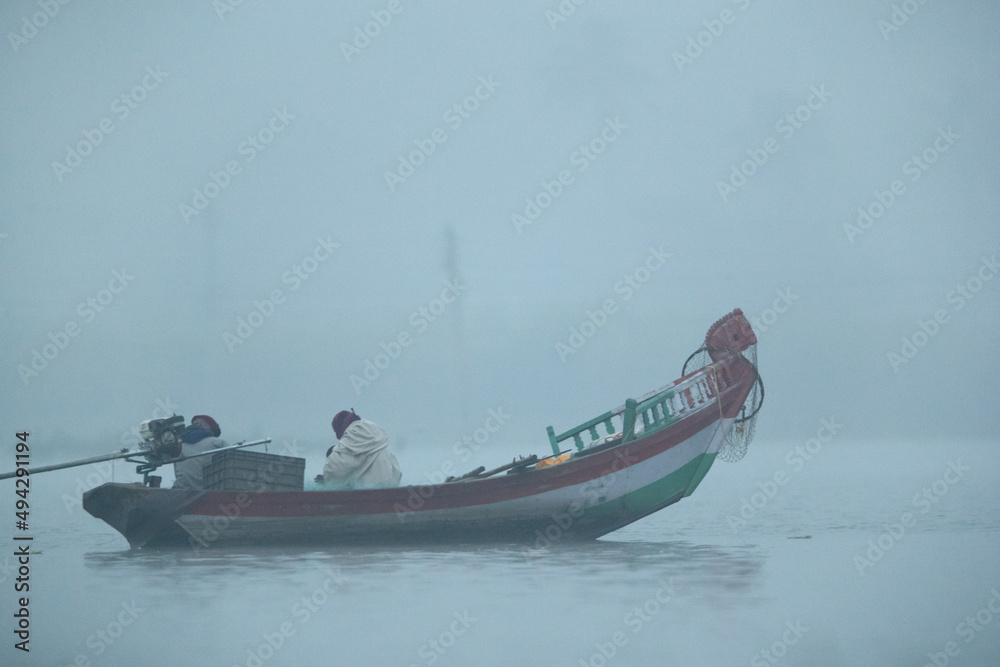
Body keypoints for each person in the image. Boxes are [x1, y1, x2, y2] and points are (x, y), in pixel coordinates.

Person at [319, 409, 402, 490]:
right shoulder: (375, 432)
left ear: (341, 428)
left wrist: (327, 481)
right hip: (389, 491)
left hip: (366, 496)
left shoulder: (354, 434)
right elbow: (396, 472)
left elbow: (335, 468)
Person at [173, 415, 229, 489]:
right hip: (209, 492)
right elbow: (234, 464)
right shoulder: (217, 442)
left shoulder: (178, 446)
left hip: (180, 490)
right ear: (210, 430)